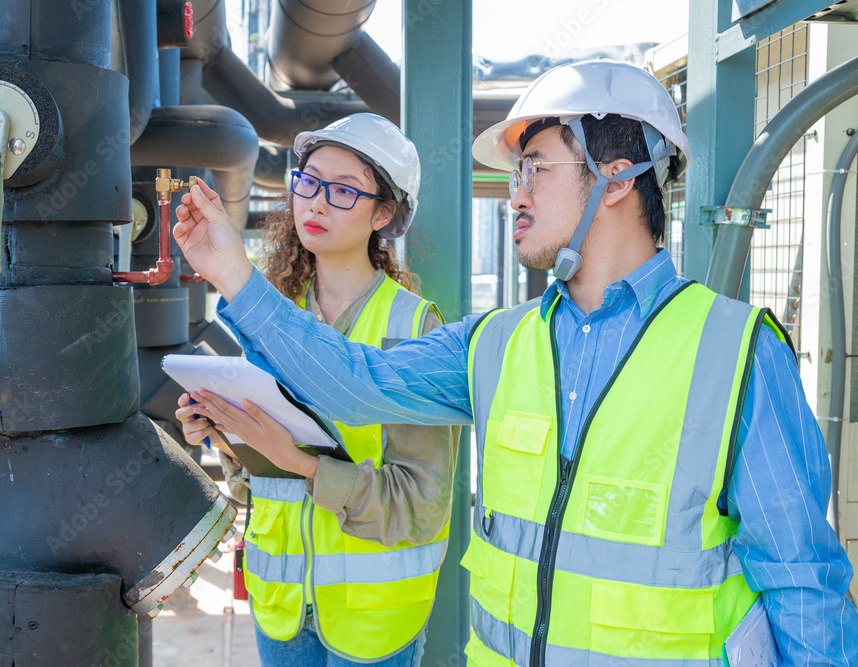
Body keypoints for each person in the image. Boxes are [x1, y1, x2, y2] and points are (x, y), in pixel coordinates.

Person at [173, 60, 858, 666]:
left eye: (535, 167)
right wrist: (235, 276)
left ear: (616, 176)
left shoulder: (737, 354)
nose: (516, 193)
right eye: (515, 174)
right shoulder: (493, 344)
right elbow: (355, 384)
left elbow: (802, 583)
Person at [175, 113, 458, 666]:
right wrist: (228, 437)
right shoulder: (271, 318)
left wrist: (303, 465)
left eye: (344, 190)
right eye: (308, 181)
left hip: (373, 622)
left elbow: (421, 507)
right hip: (281, 609)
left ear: (384, 214)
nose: (317, 203)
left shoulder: (412, 327)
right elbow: (255, 485)